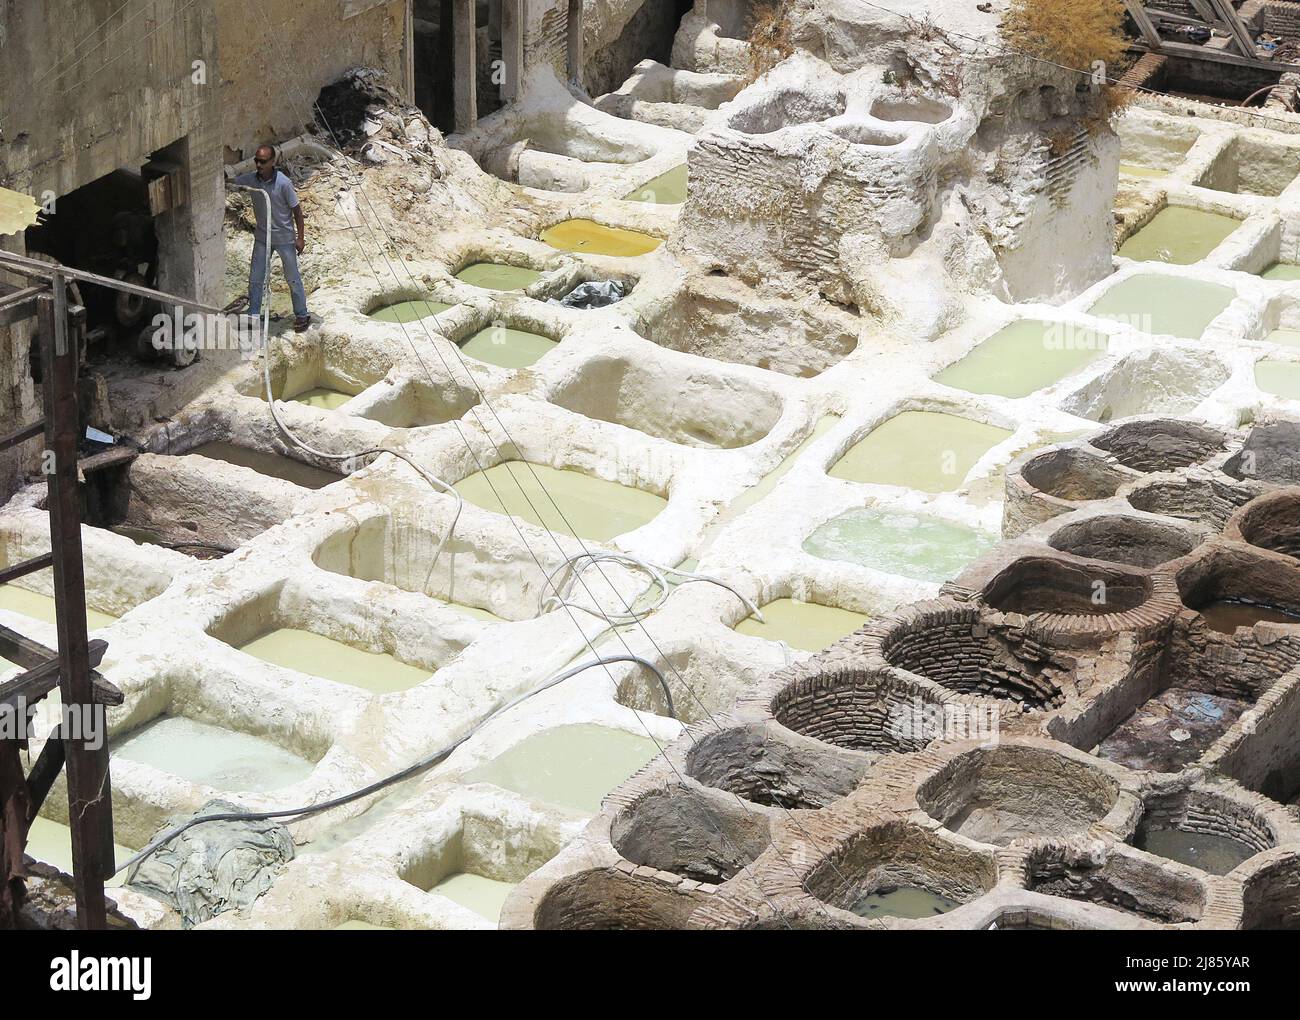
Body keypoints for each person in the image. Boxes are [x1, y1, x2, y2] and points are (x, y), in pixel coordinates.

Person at [231, 144, 311, 331]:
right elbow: (233, 182)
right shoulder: (252, 180)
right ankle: (253, 314)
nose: (259, 165)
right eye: (256, 161)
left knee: (292, 277)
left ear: (272, 162)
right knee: (256, 277)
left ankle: (301, 314)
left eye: (263, 162)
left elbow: (297, 211)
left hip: (284, 238)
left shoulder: (283, 183)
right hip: (262, 238)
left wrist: (300, 238)